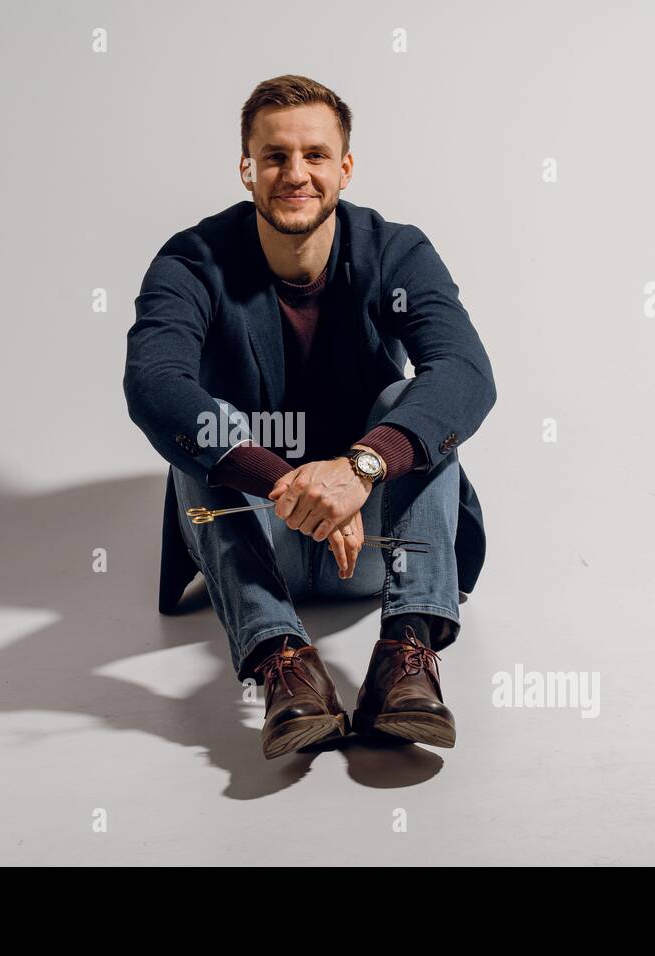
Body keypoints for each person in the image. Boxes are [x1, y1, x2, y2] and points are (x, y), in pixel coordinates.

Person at [123, 74, 497, 759]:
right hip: (258, 536)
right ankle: (285, 663)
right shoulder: (191, 260)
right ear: (247, 169)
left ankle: (406, 661)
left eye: (316, 156)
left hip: (379, 545)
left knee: (409, 407)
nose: (296, 174)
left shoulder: (395, 251)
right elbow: (153, 384)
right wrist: (278, 479)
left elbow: (466, 375)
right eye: (275, 157)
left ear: (345, 168)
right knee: (205, 428)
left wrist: (362, 467)